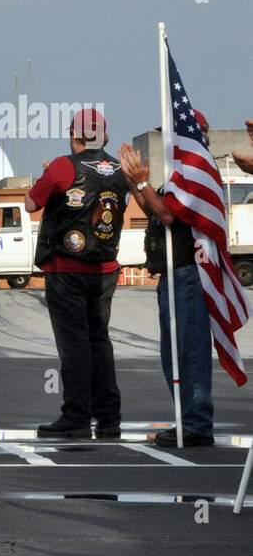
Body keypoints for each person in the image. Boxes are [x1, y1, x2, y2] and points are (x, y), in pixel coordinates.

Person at [25, 108, 130, 438]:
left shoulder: (62, 166)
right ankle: (109, 415)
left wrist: (45, 178)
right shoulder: (120, 169)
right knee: (99, 340)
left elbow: (31, 204)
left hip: (66, 268)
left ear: (74, 135)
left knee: (74, 344)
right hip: (104, 268)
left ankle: (76, 415)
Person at [120, 129, 214, 448]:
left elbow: (168, 214)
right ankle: (187, 418)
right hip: (170, 274)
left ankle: (197, 423)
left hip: (188, 272)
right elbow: (152, 211)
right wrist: (133, 181)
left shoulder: (196, 176)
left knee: (190, 350)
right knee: (172, 354)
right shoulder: (175, 180)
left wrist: (143, 180)